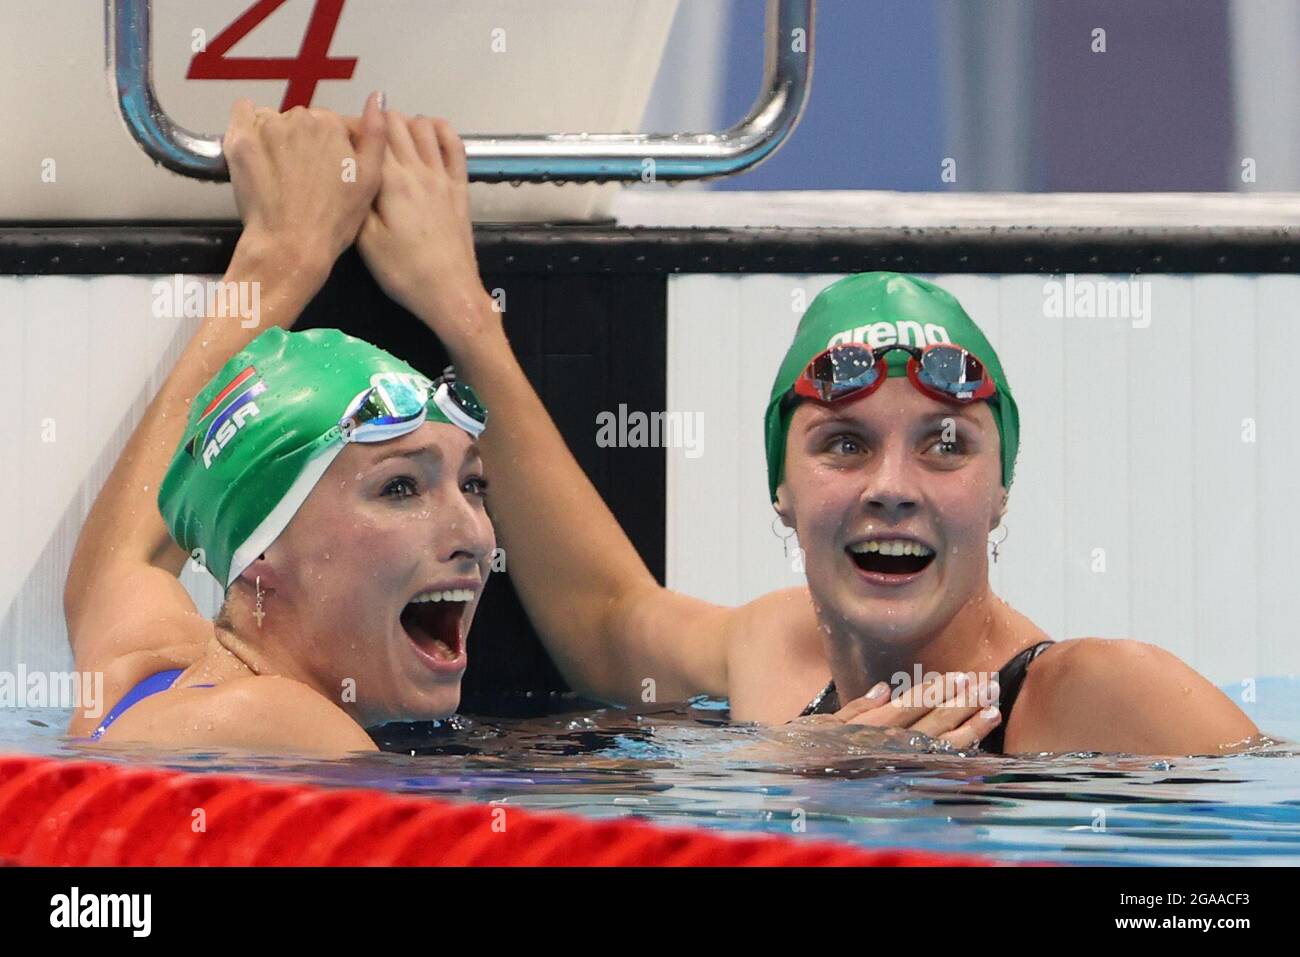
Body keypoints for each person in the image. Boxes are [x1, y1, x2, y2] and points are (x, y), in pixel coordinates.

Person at [362, 117, 1262, 755]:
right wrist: (463, 315)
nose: (892, 485)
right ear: (781, 490)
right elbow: (604, 618)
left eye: (946, 446)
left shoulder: (1096, 697)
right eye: (844, 444)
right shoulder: (776, 649)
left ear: (1000, 493)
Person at [65, 94, 494, 752]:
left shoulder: (140, 677)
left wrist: (279, 258)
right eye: (401, 487)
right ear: (263, 549)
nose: (474, 535)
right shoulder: (287, 727)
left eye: (472, 485)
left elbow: (123, 562)